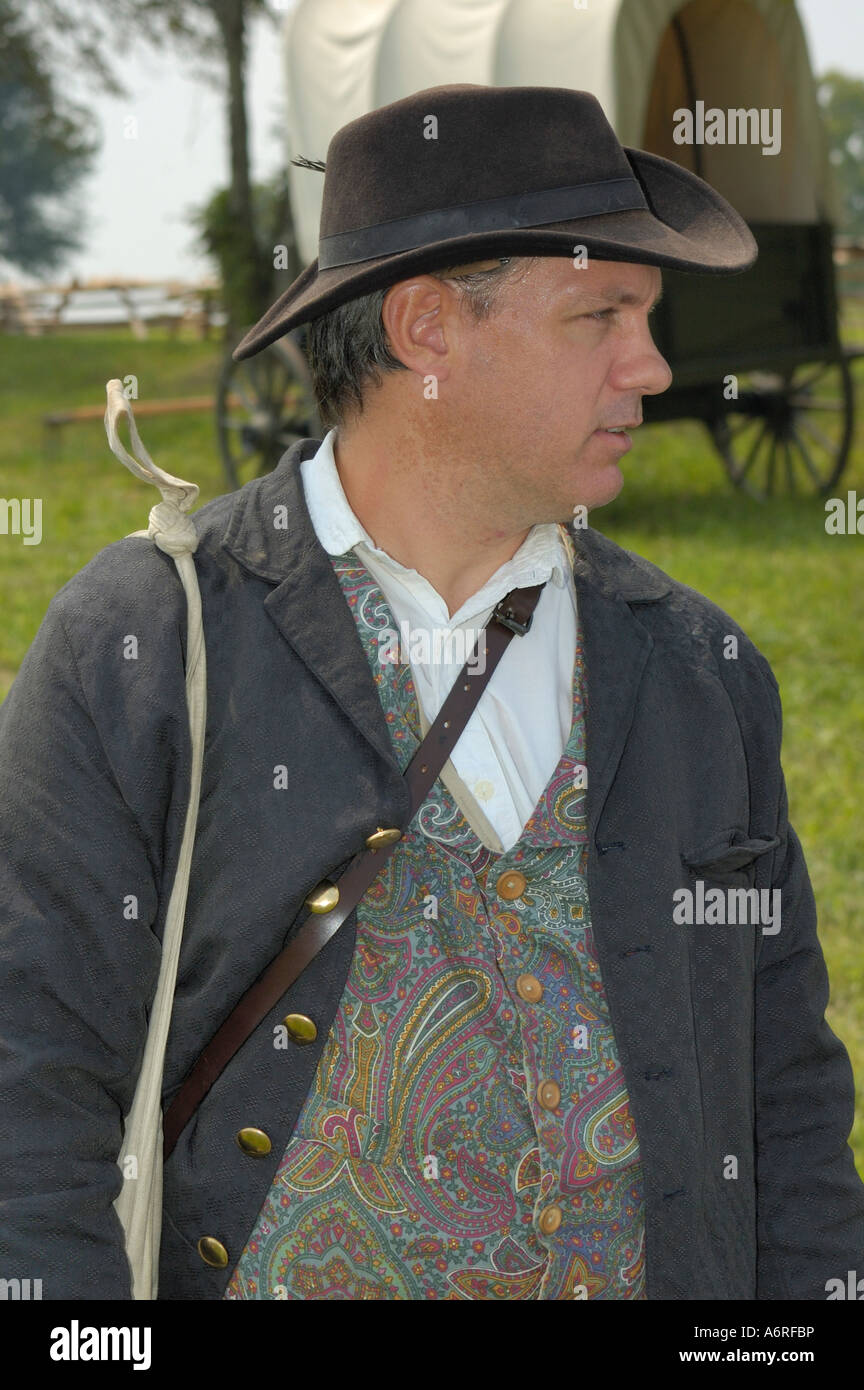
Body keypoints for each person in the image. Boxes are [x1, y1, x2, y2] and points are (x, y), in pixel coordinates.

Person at [1, 83, 862, 1302]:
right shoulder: (145, 646)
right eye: (599, 315)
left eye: (649, 318)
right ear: (425, 331)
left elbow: (790, 1093)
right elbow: (29, 1092)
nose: (654, 366)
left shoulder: (696, 670)